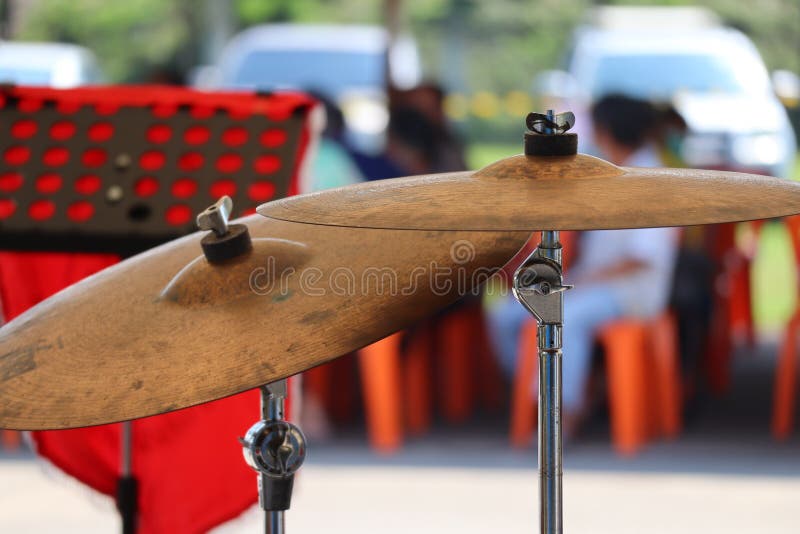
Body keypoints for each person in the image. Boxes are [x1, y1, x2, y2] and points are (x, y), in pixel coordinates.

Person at [486, 94, 679, 437]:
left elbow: (640, 259)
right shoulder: (605, 172)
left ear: (606, 132)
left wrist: (582, 279)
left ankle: (565, 413)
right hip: (589, 281)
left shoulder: (652, 181)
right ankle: (536, 392)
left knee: (565, 314)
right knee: (506, 312)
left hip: (632, 290)